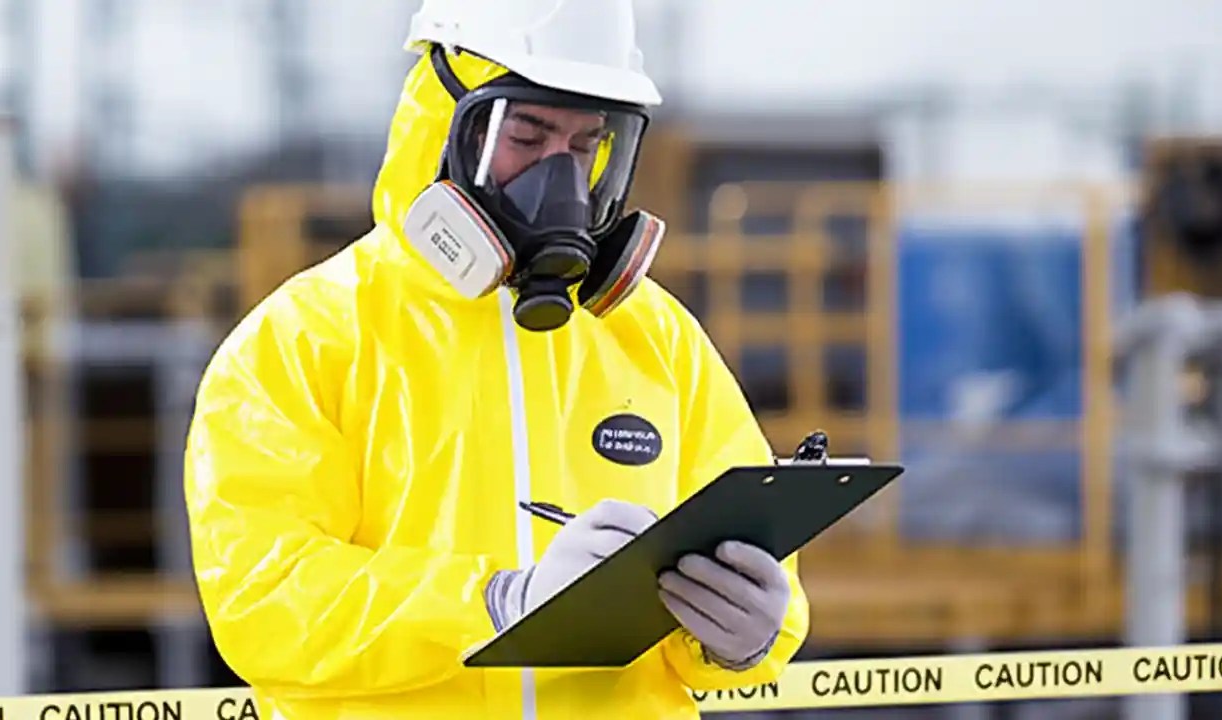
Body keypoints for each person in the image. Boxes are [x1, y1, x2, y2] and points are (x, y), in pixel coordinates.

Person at [183, 1, 810, 717]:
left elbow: (765, 585)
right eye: (527, 133)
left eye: (584, 145)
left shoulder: (657, 339)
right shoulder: (304, 342)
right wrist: (496, 603)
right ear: (443, 121)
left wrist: (744, 638)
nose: (560, 178)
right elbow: (264, 602)